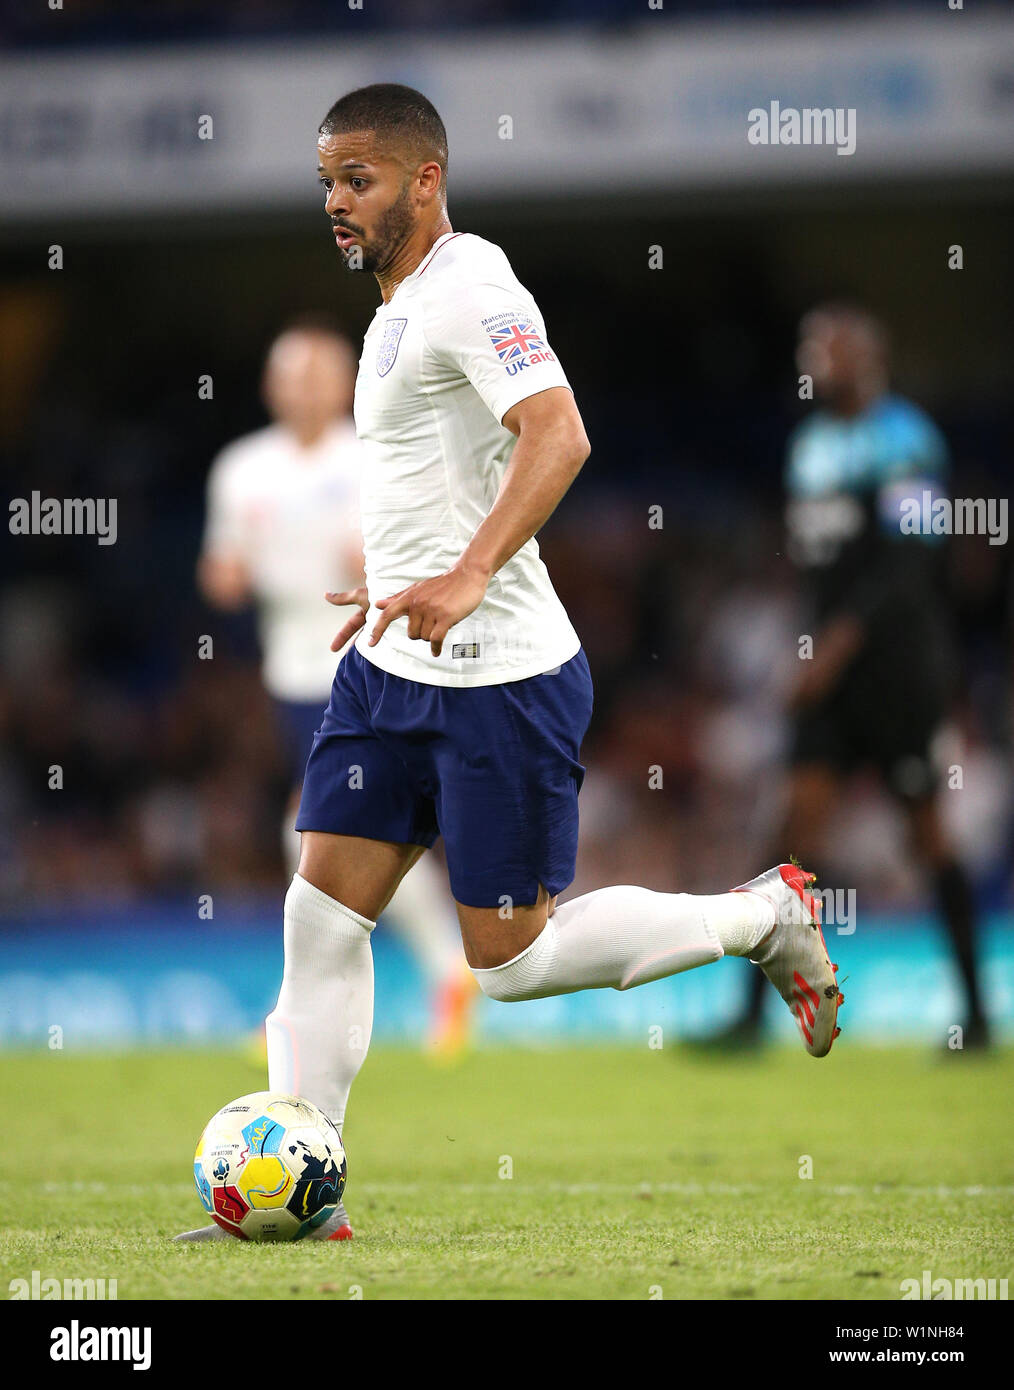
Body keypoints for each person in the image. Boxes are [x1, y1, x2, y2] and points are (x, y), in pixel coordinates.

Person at [175, 84, 842, 1244]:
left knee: (511, 965)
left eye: (359, 180)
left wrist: (473, 572)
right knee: (321, 917)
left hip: (502, 680)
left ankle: (762, 915)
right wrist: (402, 575)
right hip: (391, 667)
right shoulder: (392, 311)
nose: (335, 203)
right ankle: (308, 1197)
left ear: (424, 178)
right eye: (326, 181)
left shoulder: (472, 283)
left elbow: (559, 431)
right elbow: (444, 474)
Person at [197, 320, 476, 1069]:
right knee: (363, 831)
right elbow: (219, 571)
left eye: (320, 374)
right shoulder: (241, 468)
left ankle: (309, 1011)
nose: (306, 389)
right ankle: (443, 976)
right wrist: (238, 574)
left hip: (367, 660)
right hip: (290, 671)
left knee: (313, 830)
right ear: (270, 387)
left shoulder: (374, 454)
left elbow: (440, 546)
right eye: (292, 376)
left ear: (346, 379)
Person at [713, 304, 989, 1050]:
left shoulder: (907, 439)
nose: (811, 359)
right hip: (829, 685)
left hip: (900, 675)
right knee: (786, 836)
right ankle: (746, 1018)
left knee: (928, 837)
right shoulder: (809, 446)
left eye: (823, 349)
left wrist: (829, 649)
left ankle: (981, 1017)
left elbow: (910, 564)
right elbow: (819, 574)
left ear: (865, 357)